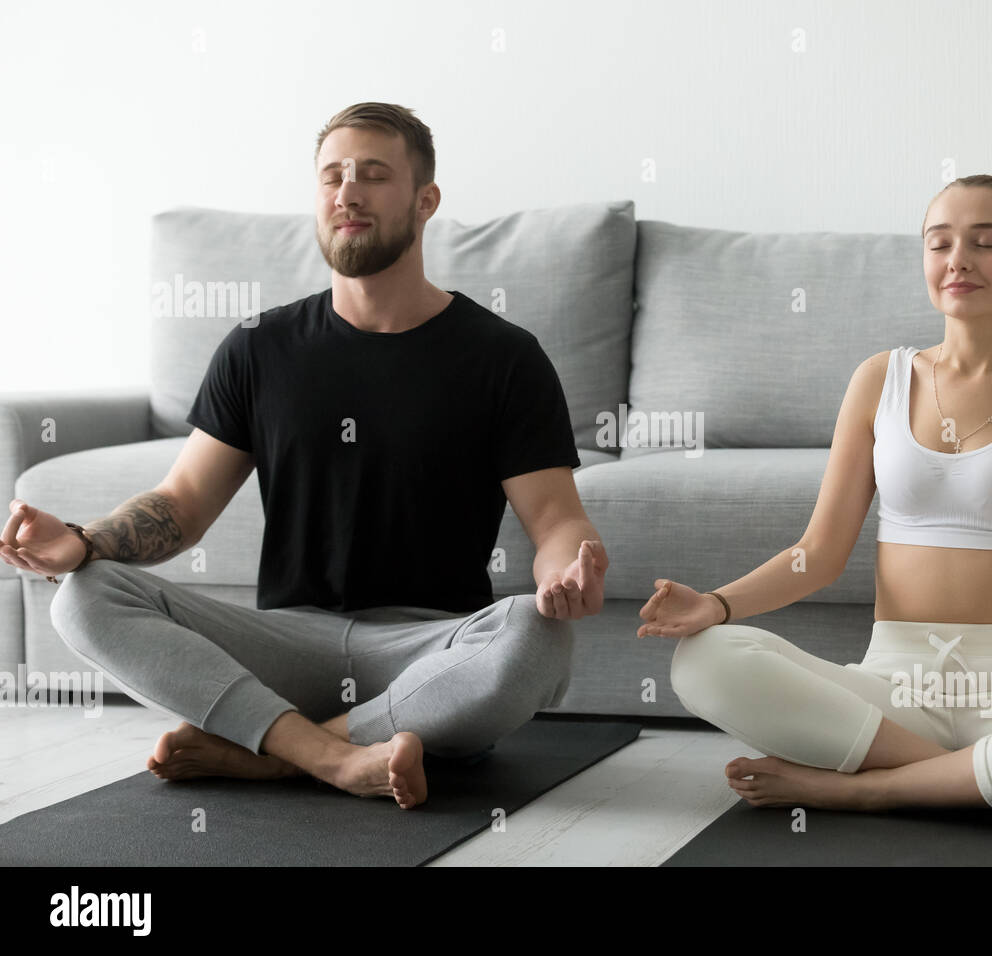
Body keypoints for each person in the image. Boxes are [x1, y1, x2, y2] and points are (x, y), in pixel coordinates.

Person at [0, 102, 608, 811]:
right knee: (85, 596)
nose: (347, 192)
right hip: (287, 644)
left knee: (539, 635)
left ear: (425, 200)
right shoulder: (259, 348)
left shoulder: (505, 357)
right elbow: (182, 506)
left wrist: (568, 568)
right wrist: (81, 543)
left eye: (373, 175)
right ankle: (331, 755)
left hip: (429, 652)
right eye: (331, 177)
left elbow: (556, 519)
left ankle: (271, 755)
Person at [638, 174, 992, 822]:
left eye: (985, 242)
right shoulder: (881, 379)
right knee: (702, 661)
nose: (958, 259)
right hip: (895, 689)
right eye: (940, 243)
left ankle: (862, 788)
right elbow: (816, 554)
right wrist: (716, 604)